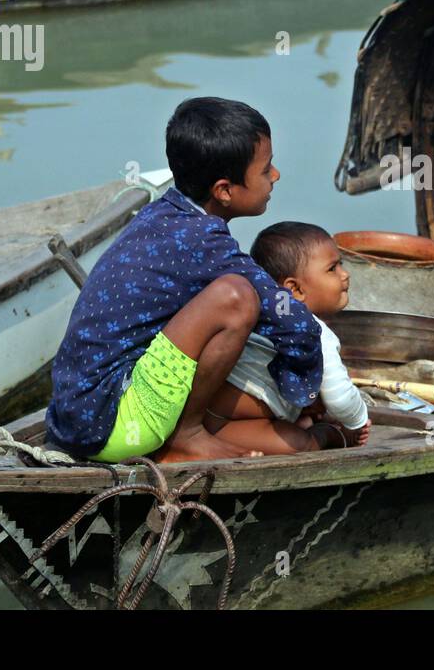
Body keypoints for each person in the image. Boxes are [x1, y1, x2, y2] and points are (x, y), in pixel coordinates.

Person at [45, 97, 323, 463]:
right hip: (111, 427)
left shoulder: (161, 214)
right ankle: (187, 434)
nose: (276, 176)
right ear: (224, 190)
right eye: (266, 169)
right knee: (236, 296)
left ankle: (187, 429)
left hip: (72, 420)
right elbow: (296, 324)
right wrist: (310, 393)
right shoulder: (204, 243)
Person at [206, 221, 373, 454]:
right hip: (228, 422)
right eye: (332, 268)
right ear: (295, 290)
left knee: (299, 420)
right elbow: (340, 398)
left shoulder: (261, 314)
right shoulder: (311, 330)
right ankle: (331, 434)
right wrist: (358, 419)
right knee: (302, 443)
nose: (345, 275)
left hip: (212, 419)